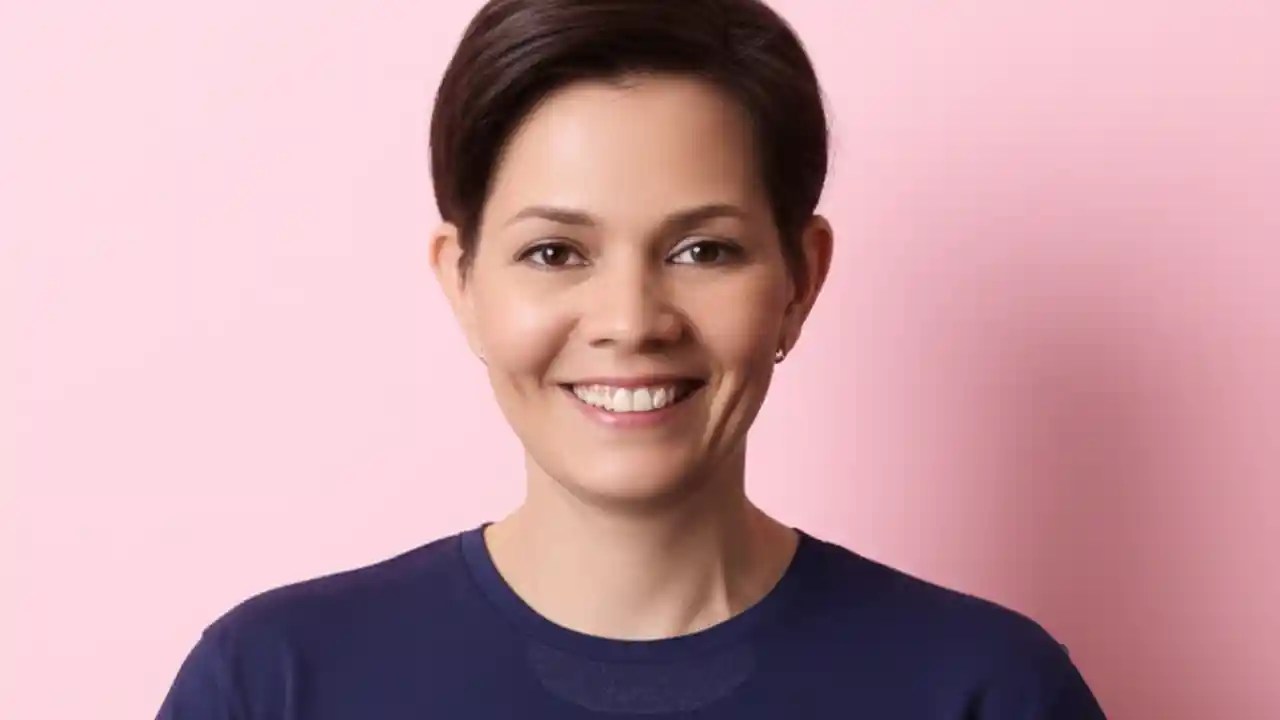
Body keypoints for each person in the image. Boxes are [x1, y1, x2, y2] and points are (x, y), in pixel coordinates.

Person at [156, 0, 1106, 717]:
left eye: (703, 250)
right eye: (554, 253)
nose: (630, 320)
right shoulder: (274, 684)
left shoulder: (987, 691)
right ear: (463, 281)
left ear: (800, 280)